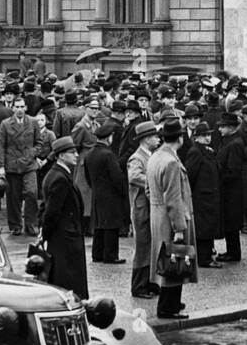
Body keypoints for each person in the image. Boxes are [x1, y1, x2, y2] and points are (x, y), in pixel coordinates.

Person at [147, 117, 195, 319]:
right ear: (180, 138)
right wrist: (178, 228)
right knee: (175, 260)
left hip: (157, 214)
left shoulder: (155, 157)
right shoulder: (171, 162)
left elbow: (148, 190)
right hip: (171, 217)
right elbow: (174, 199)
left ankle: (172, 302)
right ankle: (168, 306)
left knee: (165, 259)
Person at [42, 136, 89, 298]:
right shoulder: (59, 178)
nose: (76, 155)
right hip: (66, 235)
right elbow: (51, 211)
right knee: (69, 277)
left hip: (64, 233)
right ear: (61, 155)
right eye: (72, 152)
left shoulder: (57, 174)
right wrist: (44, 233)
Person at [85, 122, 127, 264]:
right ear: (108, 137)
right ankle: (110, 255)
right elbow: (117, 177)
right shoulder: (108, 154)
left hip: (97, 193)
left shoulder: (90, 154)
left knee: (99, 225)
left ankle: (97, 254)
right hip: (111, 195)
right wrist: (122, 192)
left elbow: (87, 177)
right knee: (111, 225)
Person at [127, 120, 161, 298]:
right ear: (146, 139)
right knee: (142, 247)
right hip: (141, 209)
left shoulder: (150, 154)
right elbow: (133, 177)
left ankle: (148, 282)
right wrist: (154, 181)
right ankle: (138, 286)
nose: (158, 139)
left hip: (149, 207)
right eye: (155, 136)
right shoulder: (137, 157)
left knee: (150, 245)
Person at [0, 97, 40, 235]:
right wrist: (1, 166)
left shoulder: (33, 122)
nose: (20, 110)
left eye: (22, 107)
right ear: (13, 108)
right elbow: (0, 145)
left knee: (32, 193)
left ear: (26, 108)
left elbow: (39, 143)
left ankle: (31, 224)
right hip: (12, 164)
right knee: (13, 196)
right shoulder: (5, 124)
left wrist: (32, 153)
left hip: (29, 165)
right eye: (17, 107)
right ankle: (15, 225)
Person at [184, 121, 222, 266]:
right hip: (202, 197)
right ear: (197, 137)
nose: (207, 138)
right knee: (203, 229)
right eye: (204, 135)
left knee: (208, 228)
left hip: (209, 195)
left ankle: (207, 255)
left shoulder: (207, 150)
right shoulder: (195, 152)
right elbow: (190, 175)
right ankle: (204, 258)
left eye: (208, 135)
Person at [215, 113, 247, 262]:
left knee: (232, 223)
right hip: (229, 188)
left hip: (232, 189)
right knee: (230, 222)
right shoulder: (228, 140)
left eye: (223, 126)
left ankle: (233, 253)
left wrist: (220, 179)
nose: (220, 129)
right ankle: (231, 251)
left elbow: (233, 170)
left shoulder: (235, 143)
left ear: (231, 127)